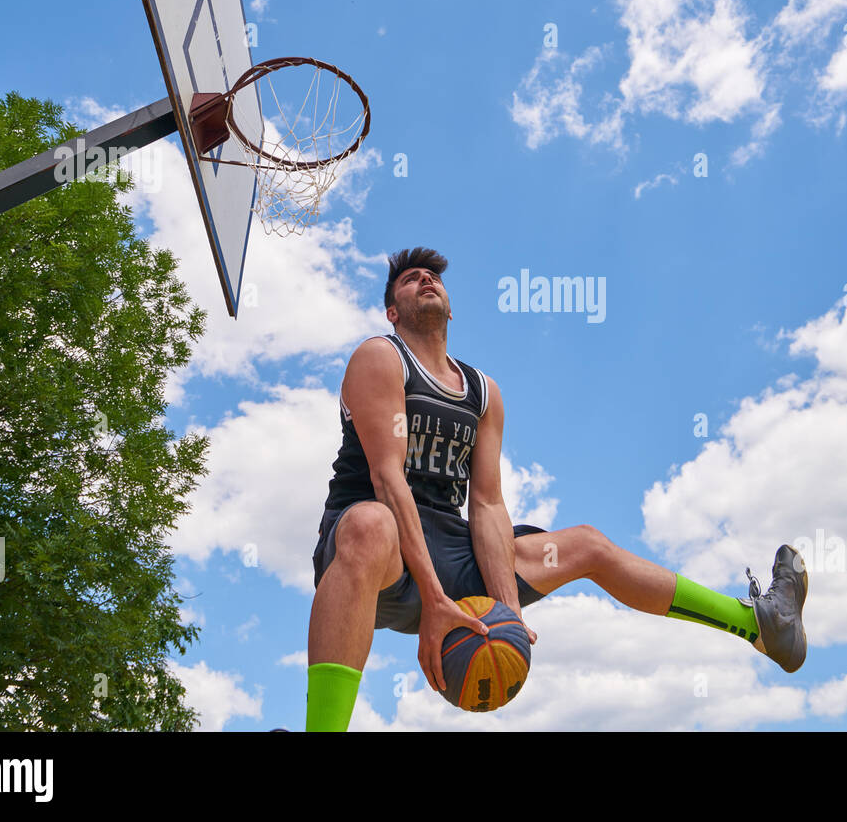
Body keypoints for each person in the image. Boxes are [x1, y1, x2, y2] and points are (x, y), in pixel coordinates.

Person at [306, 247, 807, 731]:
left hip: (453, 552)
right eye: (410, 280)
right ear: (393, 311)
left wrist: (508, 608)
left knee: (587, 544)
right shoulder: (380, 357)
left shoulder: (483, 392)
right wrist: (435, 601)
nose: (426, 281)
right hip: (379, 550)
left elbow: (485, 503)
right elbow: (388, 480)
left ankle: (761, 624)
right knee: (373, 523)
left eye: (433, 277)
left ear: (451, 307)